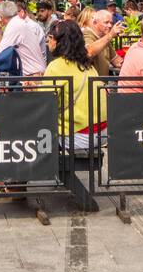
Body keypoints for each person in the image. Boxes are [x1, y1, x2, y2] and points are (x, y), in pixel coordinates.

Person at [44, 19, 106, 210]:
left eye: (50, 38)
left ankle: (15, 184)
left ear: (59, 41)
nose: (48, 43)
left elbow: (44, 106)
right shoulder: (87, 64)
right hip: (102, 132)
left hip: (79, 135)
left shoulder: (56, 67)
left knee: (33, 137)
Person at [0, 0, 47, 77]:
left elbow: (0, 55)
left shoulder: (14, 25)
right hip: (33, 73)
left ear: (1, 16)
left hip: (32, 77)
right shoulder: (19, 23)